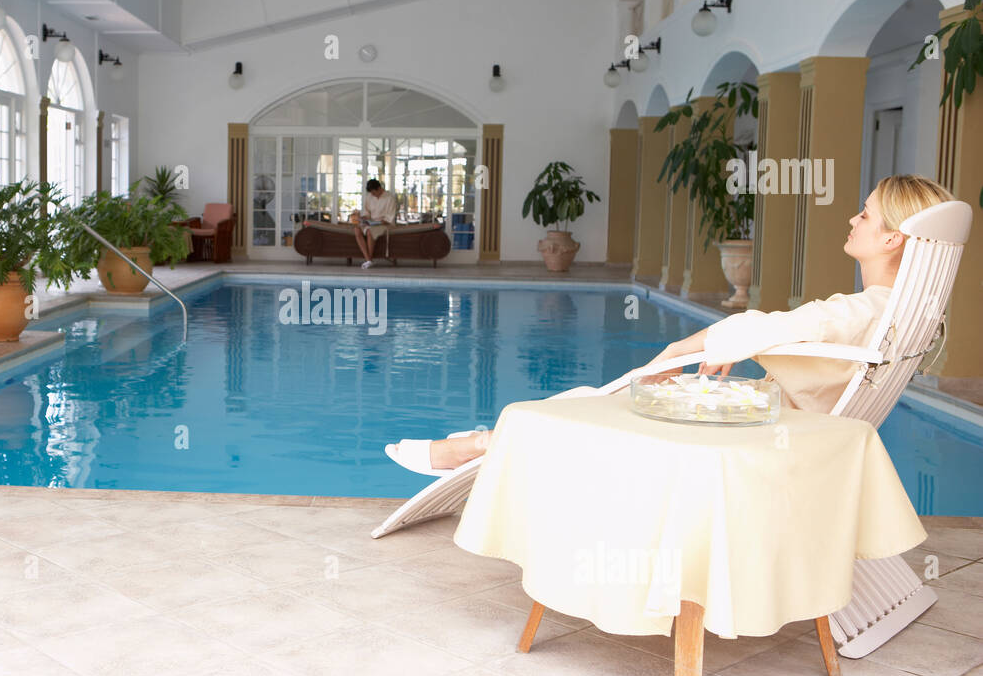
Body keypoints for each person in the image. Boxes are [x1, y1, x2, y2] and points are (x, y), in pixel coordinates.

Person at [388, 174, 957, 473]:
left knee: (600, 404)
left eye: (865, 213)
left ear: (891, 238)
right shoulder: (895, 312)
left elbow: (760, 328)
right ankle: (482, 443)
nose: (851, 218)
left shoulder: (858, 311)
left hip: (759, 436)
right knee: (601, 398)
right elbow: (776, 328)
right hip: (778, 425)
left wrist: (675, 353)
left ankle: (474, 447)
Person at [353, 179, 398, 269]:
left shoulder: (390, 198)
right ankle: (368, 259)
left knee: (370, 231)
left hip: (385, 224)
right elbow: (366, 213)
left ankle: (368, 260)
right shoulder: (369, 197)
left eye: (374, 193)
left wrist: (377, 222)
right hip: (371, 222)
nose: (373, 195)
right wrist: (362, 218)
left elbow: (390, 218)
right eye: (371, 193)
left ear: (379, 189)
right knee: (357, 229)